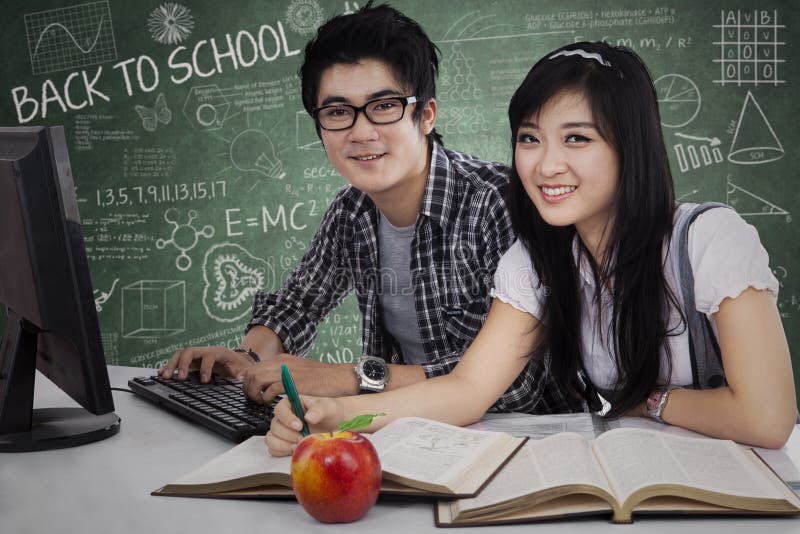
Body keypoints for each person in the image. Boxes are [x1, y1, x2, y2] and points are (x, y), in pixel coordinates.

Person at [265, 40, 797, 455]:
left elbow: (768, 419)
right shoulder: (538, 261)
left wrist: (648, 401)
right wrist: (337, 416)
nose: (545, 166)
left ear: (630, 148)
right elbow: (467, 391)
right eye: (529, 137)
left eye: (577, 139)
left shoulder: (707, 240)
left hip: (754, 492)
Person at [159, 3, 578, 414]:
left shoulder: (499, 204)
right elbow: (299, 303)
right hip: (409, 432)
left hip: (534, 437)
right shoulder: (352, 211)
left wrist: (350, 378)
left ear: (426, 114)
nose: (361, 132)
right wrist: (248, 359)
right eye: (338, 112)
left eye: (383, 106)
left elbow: (518, 387)